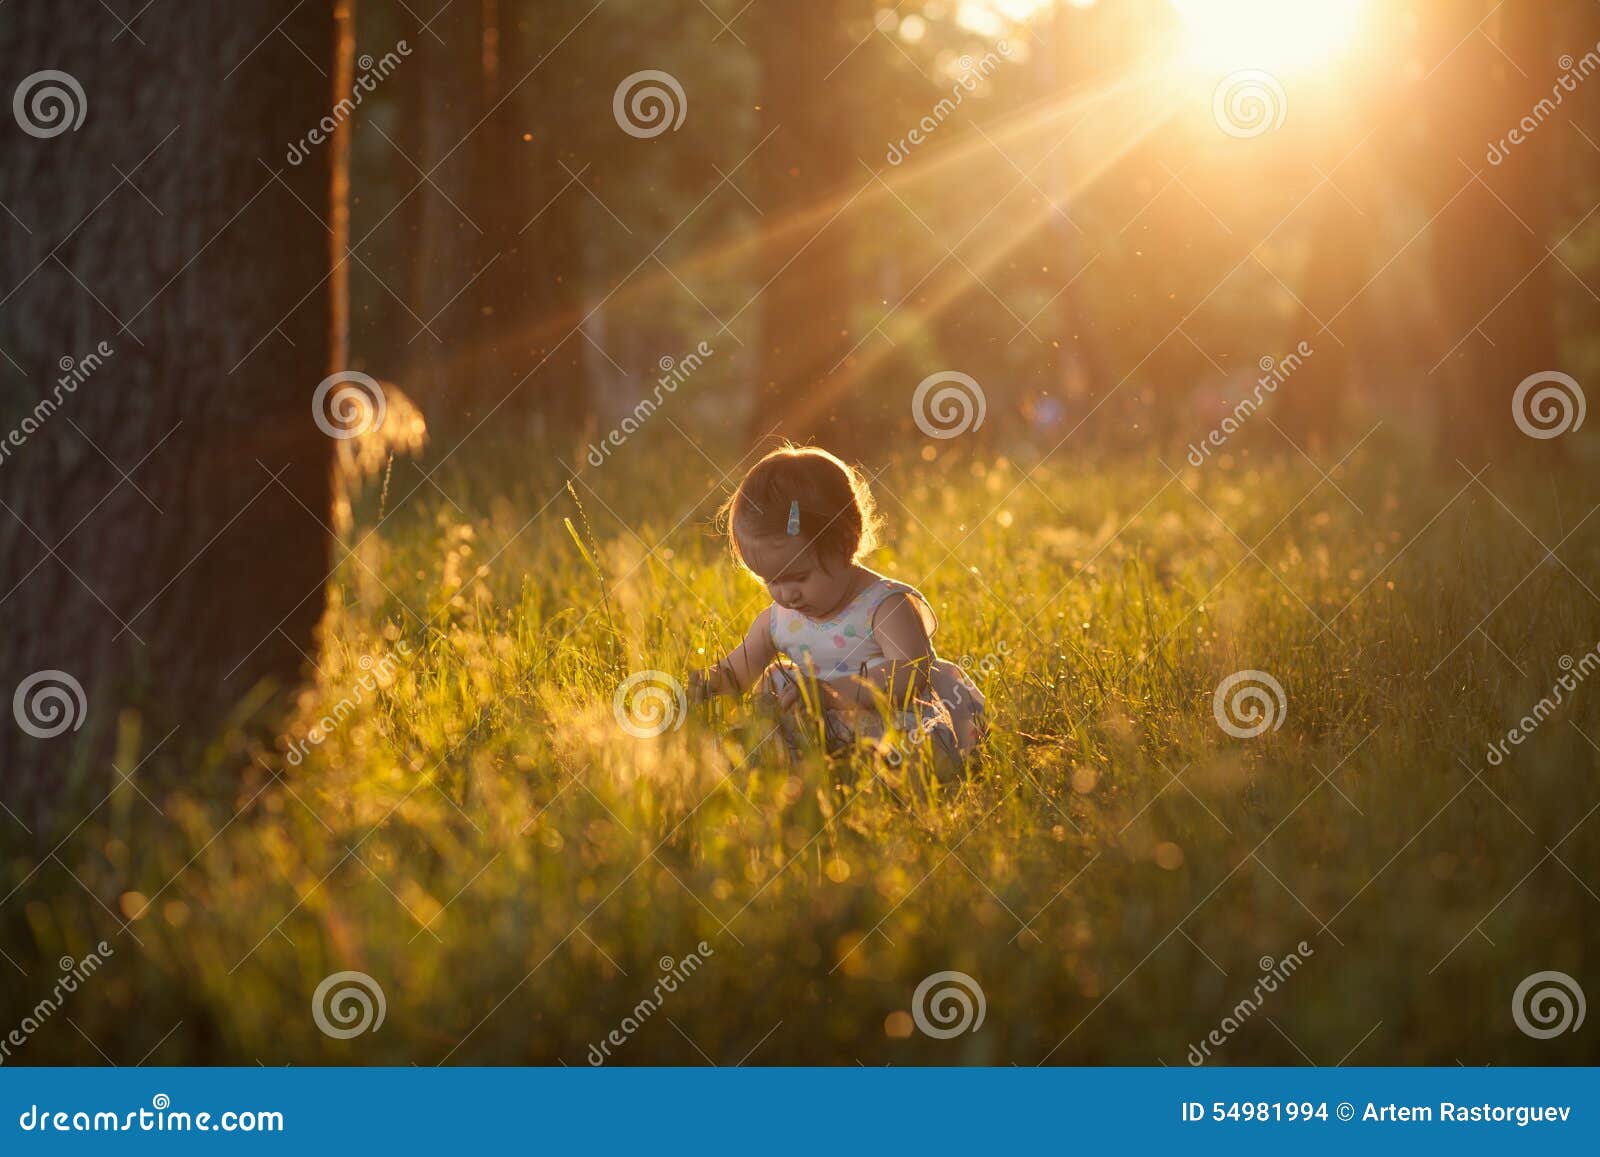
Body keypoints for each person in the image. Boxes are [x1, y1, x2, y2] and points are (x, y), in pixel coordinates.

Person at [688, 445, 984, 777]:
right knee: (770, 706)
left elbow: (909, 675)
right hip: (822, 723)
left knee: (919, 749)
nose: (786, 594)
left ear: (846, 542)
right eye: (771, 580)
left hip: (892, 719)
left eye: (799, 577)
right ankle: (786, 767)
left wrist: (831, 694)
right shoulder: (777, 620)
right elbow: (738, 672)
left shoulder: (884, 605)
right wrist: (708, 683)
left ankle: (877, 771)